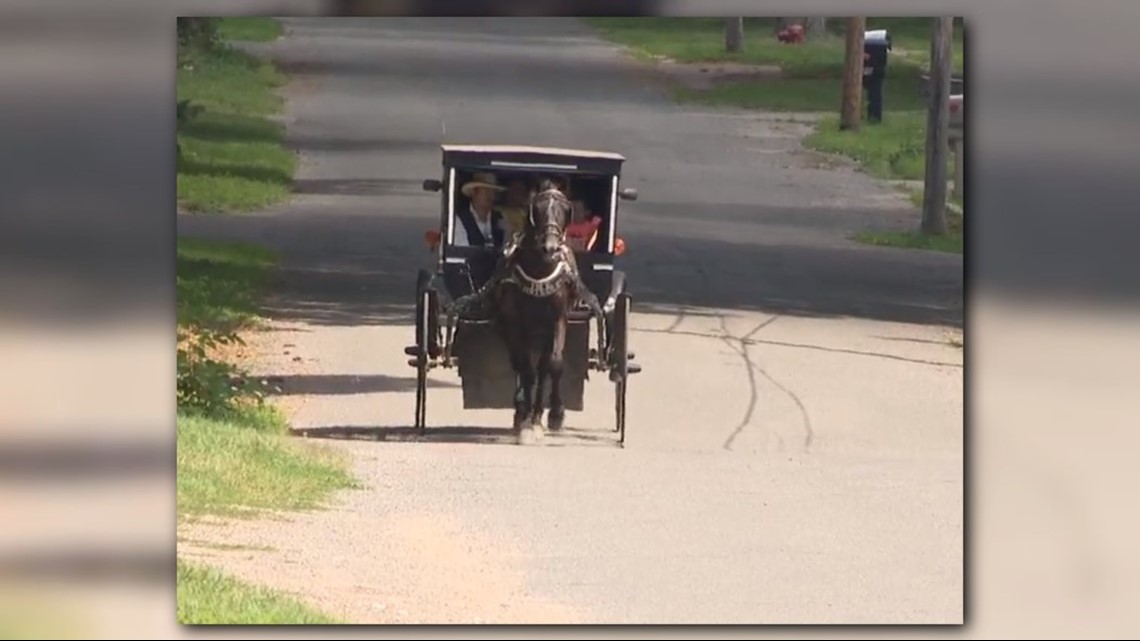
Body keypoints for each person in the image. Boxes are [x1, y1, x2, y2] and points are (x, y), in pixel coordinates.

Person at [454, 171, 510, 249]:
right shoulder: (460, 219)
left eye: (492, 191)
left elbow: (507, 245)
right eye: (486, 191)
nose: (490, 195)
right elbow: (463, 251)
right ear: (473, 192)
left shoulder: (500, 219)